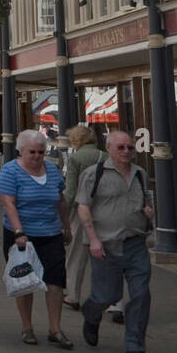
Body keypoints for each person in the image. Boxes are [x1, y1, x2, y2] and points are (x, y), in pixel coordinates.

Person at [76, 130, 155, 353]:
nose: (126, 152)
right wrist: (93, 239)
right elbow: (83, 207)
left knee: (141, 295)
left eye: (130, 147)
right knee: (107, 296)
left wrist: (148, 212)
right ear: (108, 148)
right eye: (120, 147)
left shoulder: (140, 173)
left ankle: (135, 347)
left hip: (135, 243)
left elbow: (146, 202)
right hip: (106, 245)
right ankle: (91, 313)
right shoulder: (95, 173)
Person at [0, 129, 72, 348]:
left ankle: (55, 329)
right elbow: (8, 203)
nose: (37, 156)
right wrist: (19, 232)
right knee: (25, 281)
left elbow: (61, 200)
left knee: (56, 281)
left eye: (41, 151)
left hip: (51, 233)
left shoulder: (52, 170)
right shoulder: (10, 171)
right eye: (32, 152)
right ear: (21, 151)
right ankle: (27, 327)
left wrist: (67, 227)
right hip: (22, 235)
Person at [62, 124, 106, 310]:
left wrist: (64, 213)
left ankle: (73, 294)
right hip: (103, 208)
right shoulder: (105, 156)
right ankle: (111, 300)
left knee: (76, 254)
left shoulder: (75, 158)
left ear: (76, 140)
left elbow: (71, 191)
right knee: (106, 253)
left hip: (81, 209)